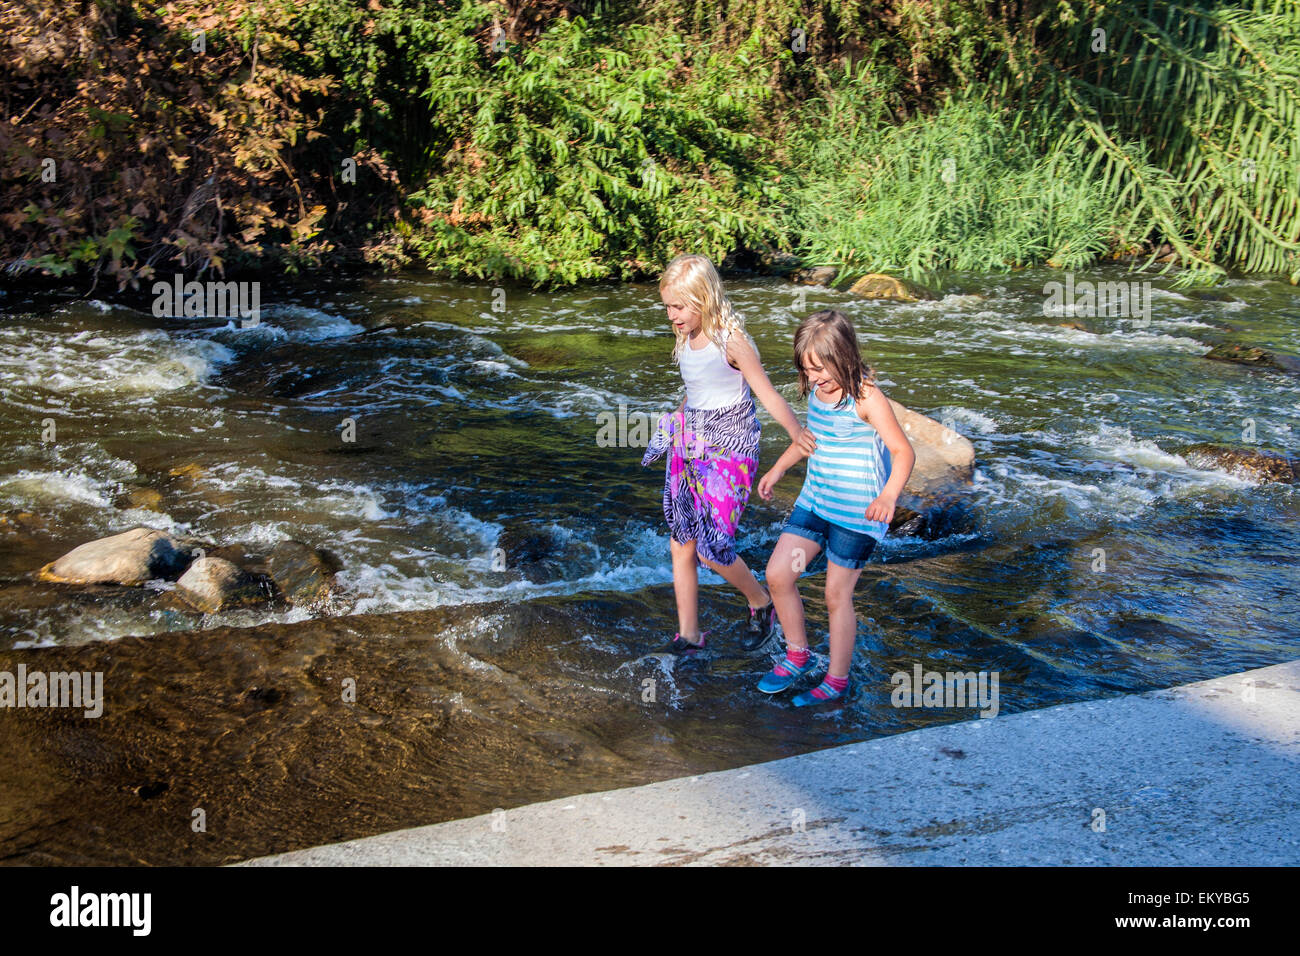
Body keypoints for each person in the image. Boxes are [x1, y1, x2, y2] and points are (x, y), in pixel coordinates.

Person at [642, 254, 812, 656]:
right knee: (681, 541)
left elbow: (766, 392)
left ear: (704, 298)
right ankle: (689, 635)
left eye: (679, 307)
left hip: (731, 449)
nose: (672, 315)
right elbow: (696, 387)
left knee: (710, 547)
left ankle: (761, 602)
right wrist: (678, 422)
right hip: (692, 445)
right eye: (667, 306)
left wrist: (795, 433)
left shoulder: (731, 341)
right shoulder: (685, 336)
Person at [756, 309, 916, 705]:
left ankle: (836, 680)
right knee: (778, 574)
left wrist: (888, 497)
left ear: (844, 355)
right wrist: (777, 469)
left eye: (820, 369)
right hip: (816, 501)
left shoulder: (866, 397)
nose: (813, 378)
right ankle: (798, 654)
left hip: (857, 515)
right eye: (807, 370)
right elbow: (810, 439)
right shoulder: (815, 391)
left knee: (834, 595)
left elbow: (903, 451)